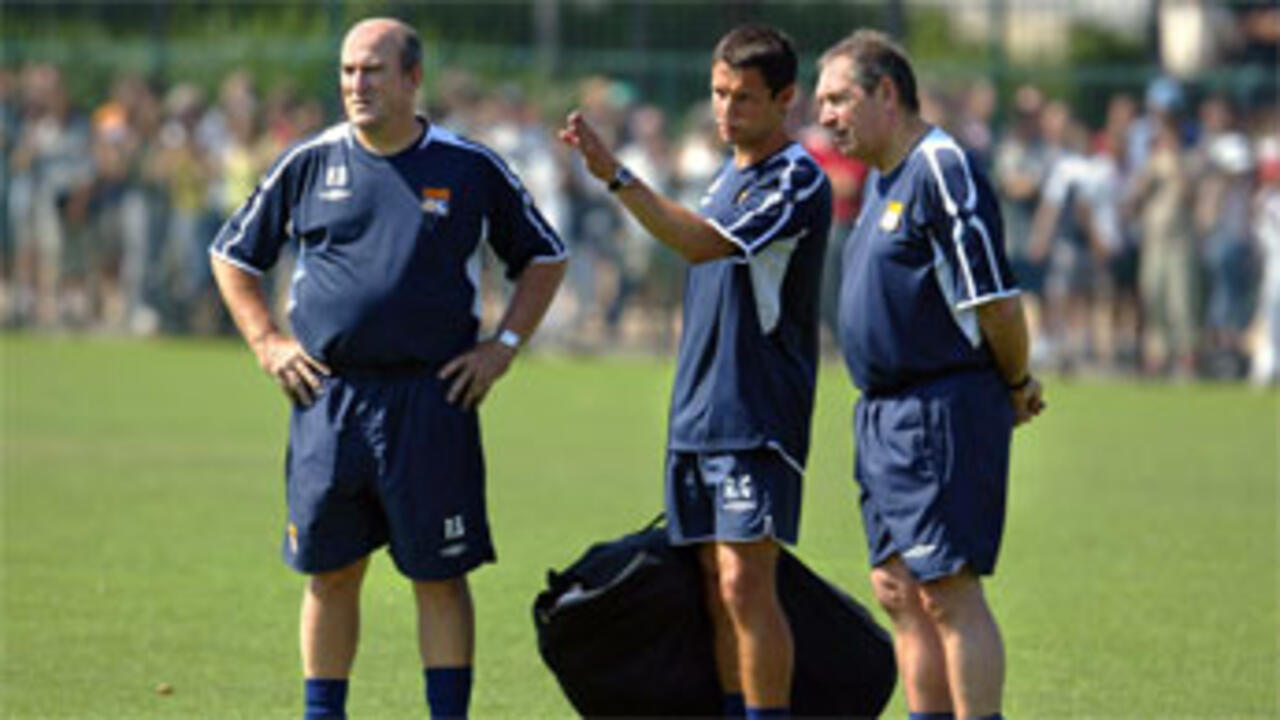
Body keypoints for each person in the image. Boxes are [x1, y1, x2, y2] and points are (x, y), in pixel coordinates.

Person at [209, 18, 567, 719]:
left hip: (432, 397)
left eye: (372, 70)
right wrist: (267, 343)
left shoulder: (468, 166)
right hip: (329, 396)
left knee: (439, 574)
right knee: (330, 572)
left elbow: (545, 256)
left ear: (412, 79)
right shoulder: (308, 161)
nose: (356, 85)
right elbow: (233, 255)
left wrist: (504, 346)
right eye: (347, 71)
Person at [559, 25, 831, 719]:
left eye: (743, 98)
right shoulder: (726, 175)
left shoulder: (796, 177)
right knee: (712, 583)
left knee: (745, 582)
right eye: (718, 94)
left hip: (756, 411)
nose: (726, 111)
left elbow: (702, 245)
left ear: (786, 99)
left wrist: (616, 176)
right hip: (698, 412)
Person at [814, 30, 1044, 720]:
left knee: (946, 589)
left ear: (887, 93)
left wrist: (1015, 380)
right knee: (896, 587)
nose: (825, 116)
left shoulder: (941, 167)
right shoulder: (881, 176)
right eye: (821, 101)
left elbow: (995, 299)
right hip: (883, 414)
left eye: (838, 99)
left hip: (938, 409)